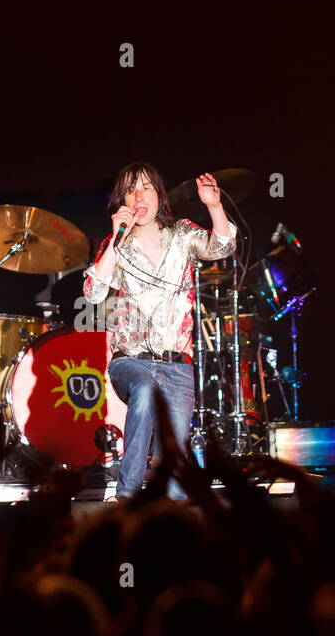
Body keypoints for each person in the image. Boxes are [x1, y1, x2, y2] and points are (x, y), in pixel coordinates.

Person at [83, 163, 236, 499]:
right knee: (145, 389)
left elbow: (222, 248)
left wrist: (214, 205)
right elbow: (93, 293)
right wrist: (116, 238)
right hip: (131, 362)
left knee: (176, 480)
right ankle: (126, 495)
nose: (140, 196)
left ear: (159, 197)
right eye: (131, 190)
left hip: (177, 365)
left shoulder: (182, 234)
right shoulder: (116, 244)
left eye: (147, 188)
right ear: (122, 200)